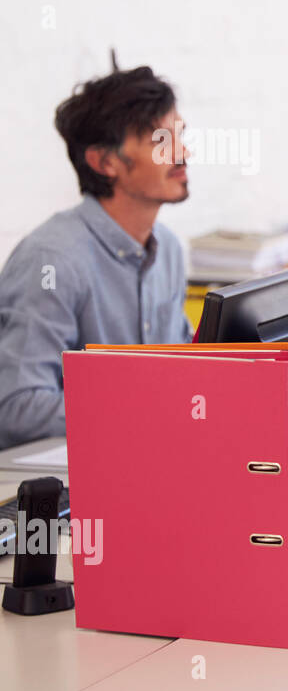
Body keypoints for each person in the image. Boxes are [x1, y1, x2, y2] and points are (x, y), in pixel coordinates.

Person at [0, 67, 191, 449]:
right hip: (71, 479)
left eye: (180, 137)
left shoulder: (167, 248)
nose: (182, 153)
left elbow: (180, 372)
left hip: (148, 458)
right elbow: (17, 407)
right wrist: (143, 410)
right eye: (160, 141)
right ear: (105, 162)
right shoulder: (51, 261)